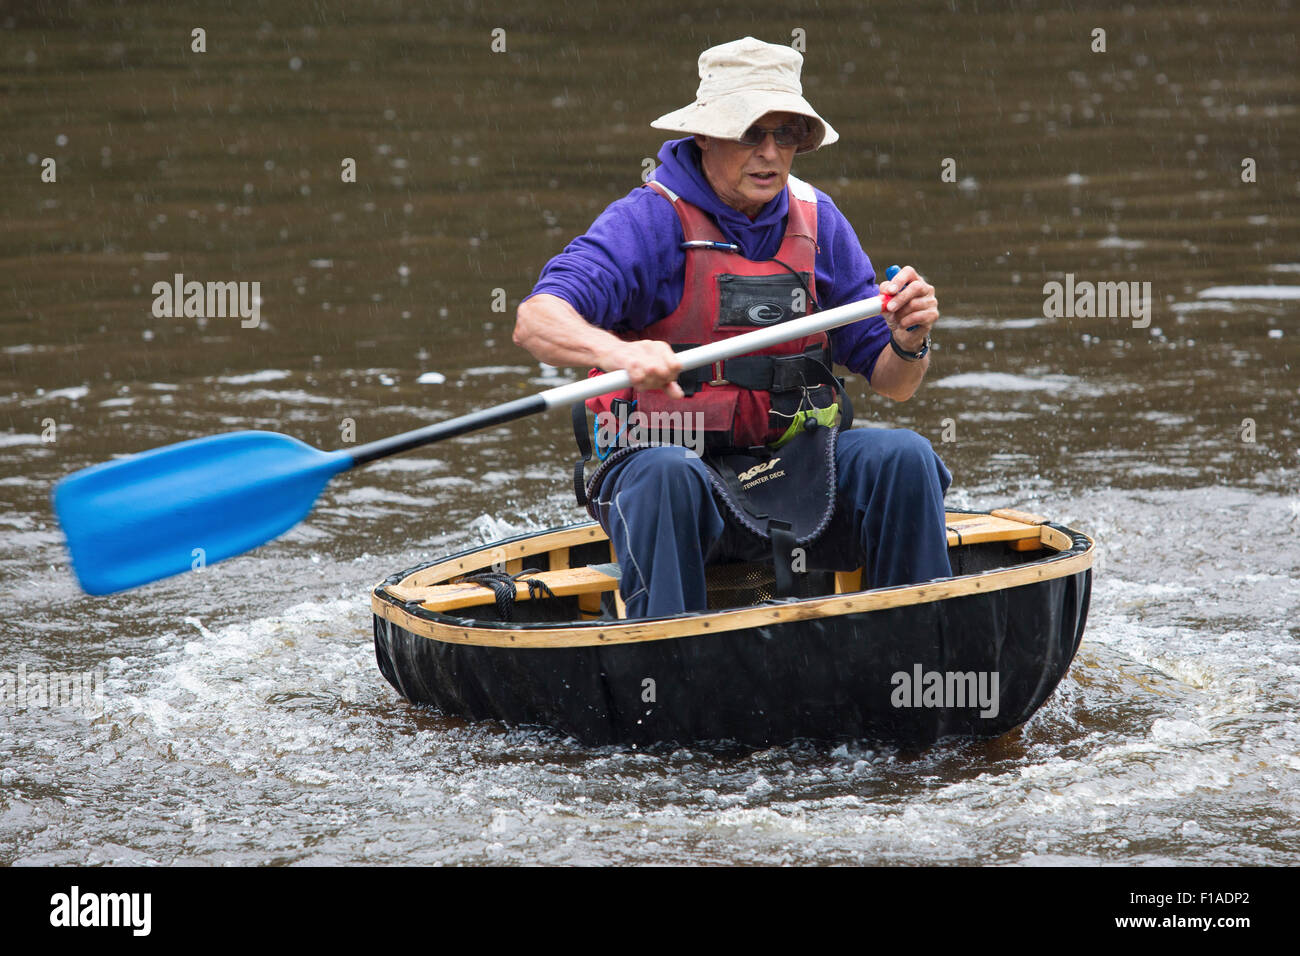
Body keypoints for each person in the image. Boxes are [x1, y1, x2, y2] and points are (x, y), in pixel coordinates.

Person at [514, 36, 951, 618]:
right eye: (750, 133)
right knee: (666, 476)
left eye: (787, 135)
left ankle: (917, 649)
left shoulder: (820, 221)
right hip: (670, 467)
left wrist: (910, 340)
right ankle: (667, 667)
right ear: (704, 136)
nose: (769, 153)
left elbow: (895, 384)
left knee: (906, 457)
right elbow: (535, 320)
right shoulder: (647, 222)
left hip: (795, 464)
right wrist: (617, 352)